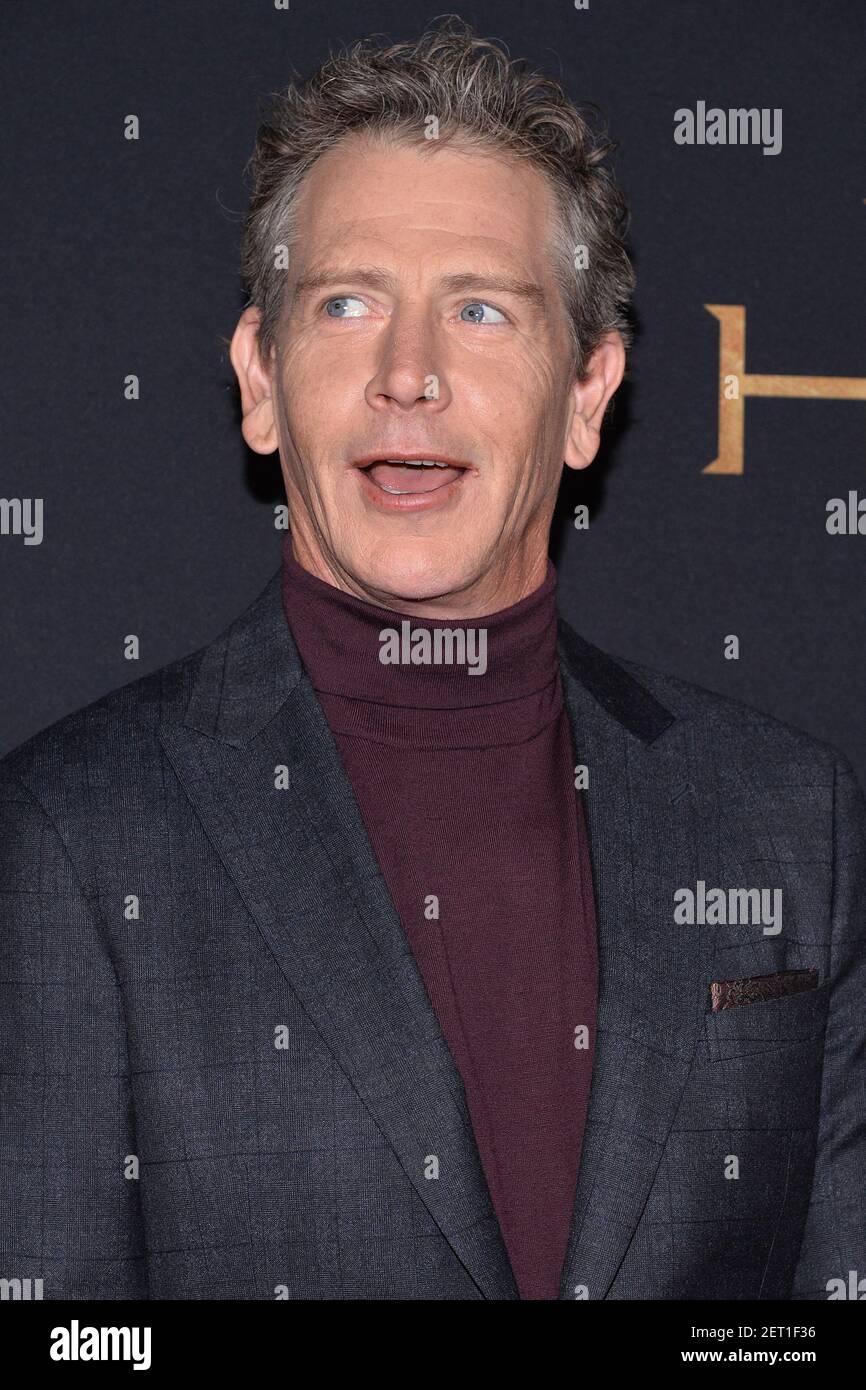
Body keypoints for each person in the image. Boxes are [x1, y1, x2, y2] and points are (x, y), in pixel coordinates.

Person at [1, 17, 863, 1301]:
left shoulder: (792, 824)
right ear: (259, 375)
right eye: (347, 304)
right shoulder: (69, 838)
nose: (409, 376)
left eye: (479, 309)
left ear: (586, 393)